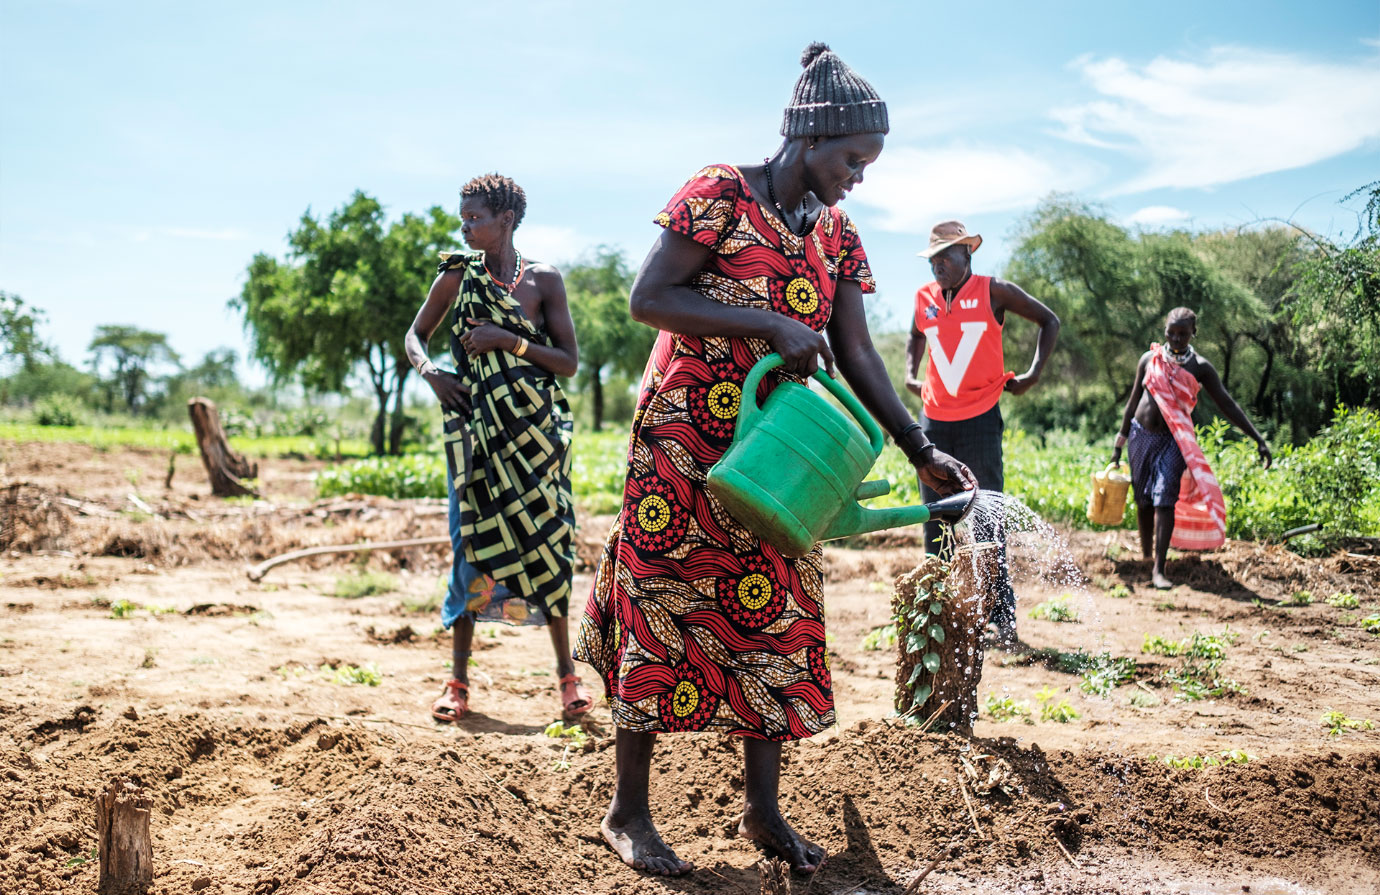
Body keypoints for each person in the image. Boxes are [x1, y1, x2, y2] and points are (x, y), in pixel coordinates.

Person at [574, 43, 975, 878]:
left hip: (782, 452)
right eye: (852, 159)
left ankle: (762, 809)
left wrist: (920, 448)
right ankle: (629, 810)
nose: (858, 176)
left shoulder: (836, 233)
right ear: (810, 138)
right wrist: (765, 327)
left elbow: (859, 354)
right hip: (684, 440)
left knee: (774, 609)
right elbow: (650, 298)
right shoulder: (718, 192)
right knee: (662, 598)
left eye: (867, 163)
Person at [404, 173, 593, 722]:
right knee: (471, 547)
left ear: (506, 220)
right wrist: (433, 373)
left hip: (535, 437)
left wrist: (507, 340)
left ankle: (566, 680)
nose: (465, 227)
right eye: (463, 218)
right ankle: (458, 684)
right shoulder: (455, 278)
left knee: (549, 544)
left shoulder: (543, 281)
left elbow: (567, 363)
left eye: (475, 218)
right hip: (476, 435)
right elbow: (416, 336)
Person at [903, 221, 1060, 646]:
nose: (938, 266)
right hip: (933, 422)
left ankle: (1000, 620)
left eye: (946, 257)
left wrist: (1031, 375)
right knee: (934, 519)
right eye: (933, 259)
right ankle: (938, 615)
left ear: (967, 256)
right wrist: (908, 374)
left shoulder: (994, 291)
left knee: (985, 517)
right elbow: (916, 335)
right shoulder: (924, 298)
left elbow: (1050, 321)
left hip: (980, 418)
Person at [1111, 307, 1271, 589]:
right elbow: (1133, 400)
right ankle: (1147, 558)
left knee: (1164, 499)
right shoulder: (1149, 359)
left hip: (1175, 440)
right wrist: (1119, 443)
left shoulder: (1200, 367)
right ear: (1165, 331)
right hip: (1141, 435)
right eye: (1170, 333)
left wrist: (1257, 438)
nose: (1175, 338)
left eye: (1182, 334)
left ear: (1193, 333)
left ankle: (1159, 570)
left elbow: (1228, 404)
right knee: (1144, 500)